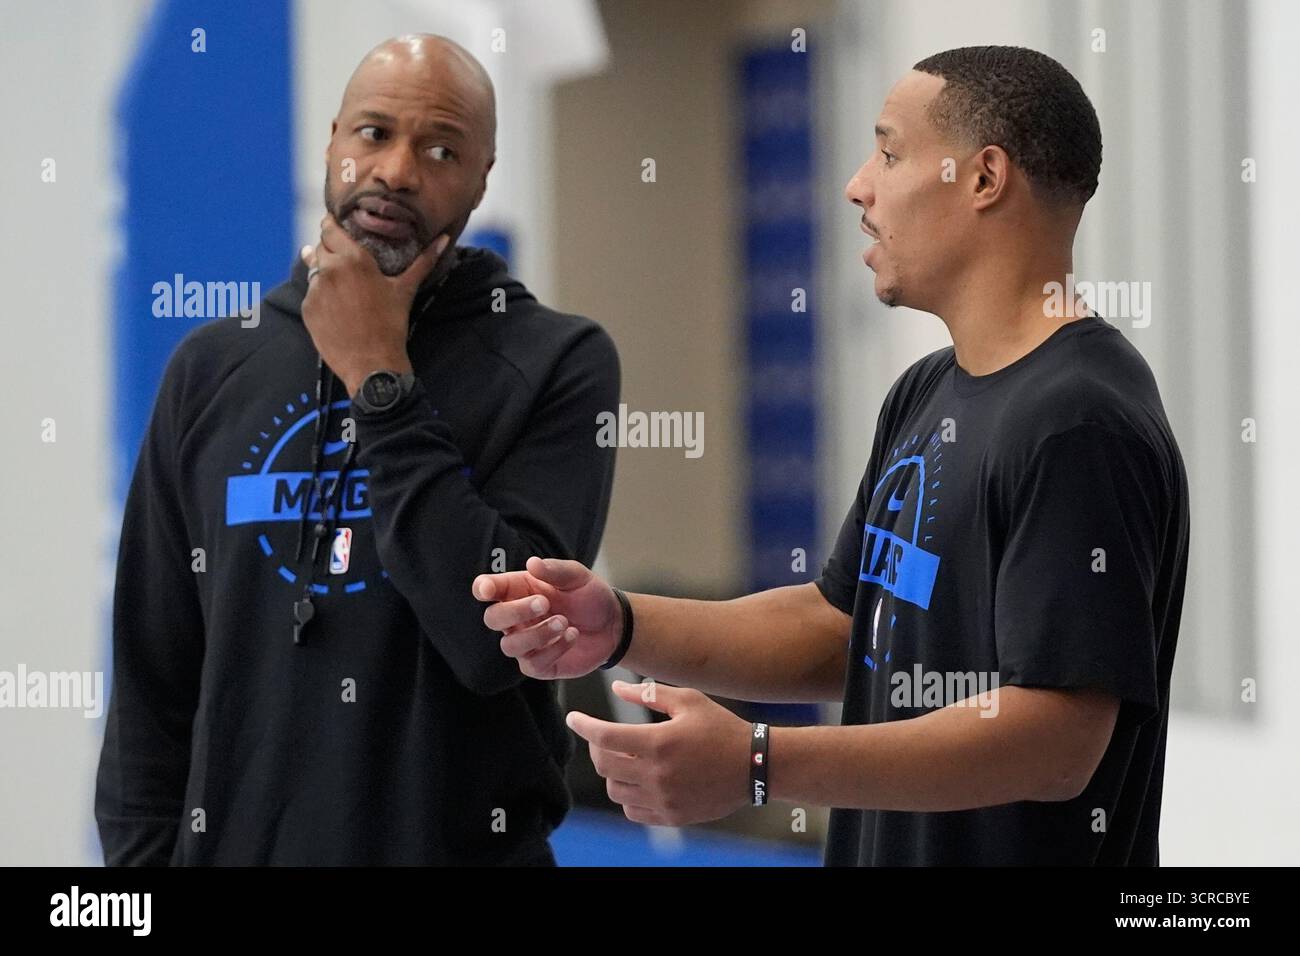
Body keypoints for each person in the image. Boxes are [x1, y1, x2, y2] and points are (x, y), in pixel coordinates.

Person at [474, 45, 1189, 866]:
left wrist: (758, 765)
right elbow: (844, 626)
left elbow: (1058, 739)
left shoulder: (1078, 420)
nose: (859, 184)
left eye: (889, 153)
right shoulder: (927, 392)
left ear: (984, 179)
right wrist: (620, 623)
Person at [95, 34, 620, 865]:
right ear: (334, 142)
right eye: (374, 134)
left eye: (441, 149)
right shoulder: (212, 366)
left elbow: (496, 646)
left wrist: (379, 374)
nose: (398, 170)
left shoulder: (554, 363)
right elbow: (151, 687)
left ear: (483, 177)